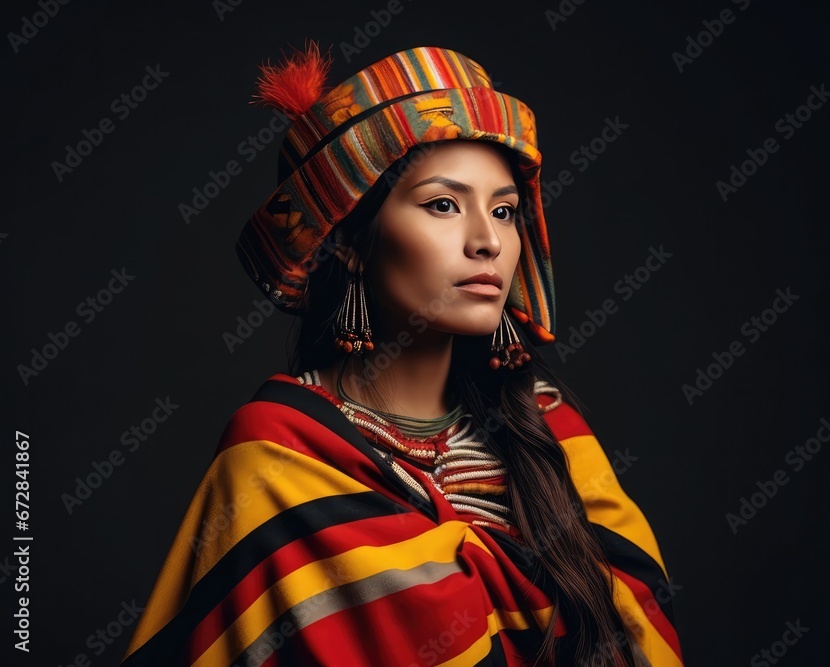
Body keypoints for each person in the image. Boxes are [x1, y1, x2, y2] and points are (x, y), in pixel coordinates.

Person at [120, 42, 683, 667]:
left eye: (504, 211)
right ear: (354, 242)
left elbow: (642, 628)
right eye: (443, 204)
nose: (487, 241)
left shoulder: (552, 432)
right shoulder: (276, 458)